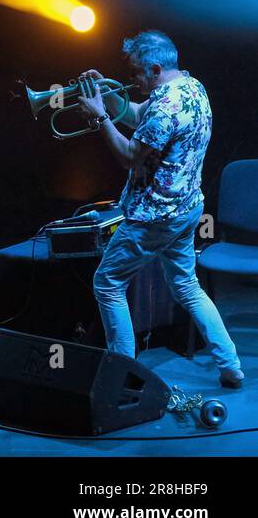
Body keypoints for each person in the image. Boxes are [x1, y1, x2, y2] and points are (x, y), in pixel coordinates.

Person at [76, 30, 242, 387]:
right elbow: (139, 116)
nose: (130, 81)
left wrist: (99, 118)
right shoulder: (191, 87)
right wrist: (106, 96)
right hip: (186, 208)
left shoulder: (166, 107)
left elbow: (128, 156)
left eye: (136, 73)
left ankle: (123, 377)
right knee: (187, 287)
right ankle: (231, 366)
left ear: (154, 68)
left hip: (155, 216)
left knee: (107, 283)